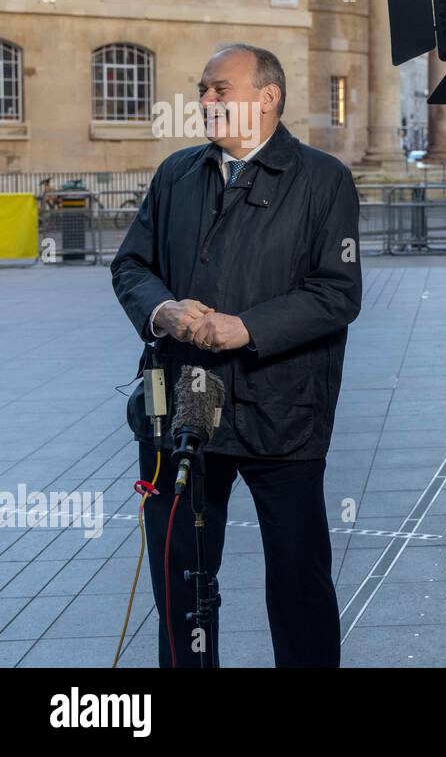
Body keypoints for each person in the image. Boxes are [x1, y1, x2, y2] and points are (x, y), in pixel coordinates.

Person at [111, 43, 363, 668]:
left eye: (220, 89)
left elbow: (337, 293)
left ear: (267, 96)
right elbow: (131, 264)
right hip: (184, 413)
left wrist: (244, 328)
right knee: (182, 579)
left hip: (282, 409)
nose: (205, 101)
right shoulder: (177, 174)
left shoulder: (324, 180)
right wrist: (161, 309)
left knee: (299, 577)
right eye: (202, 90)